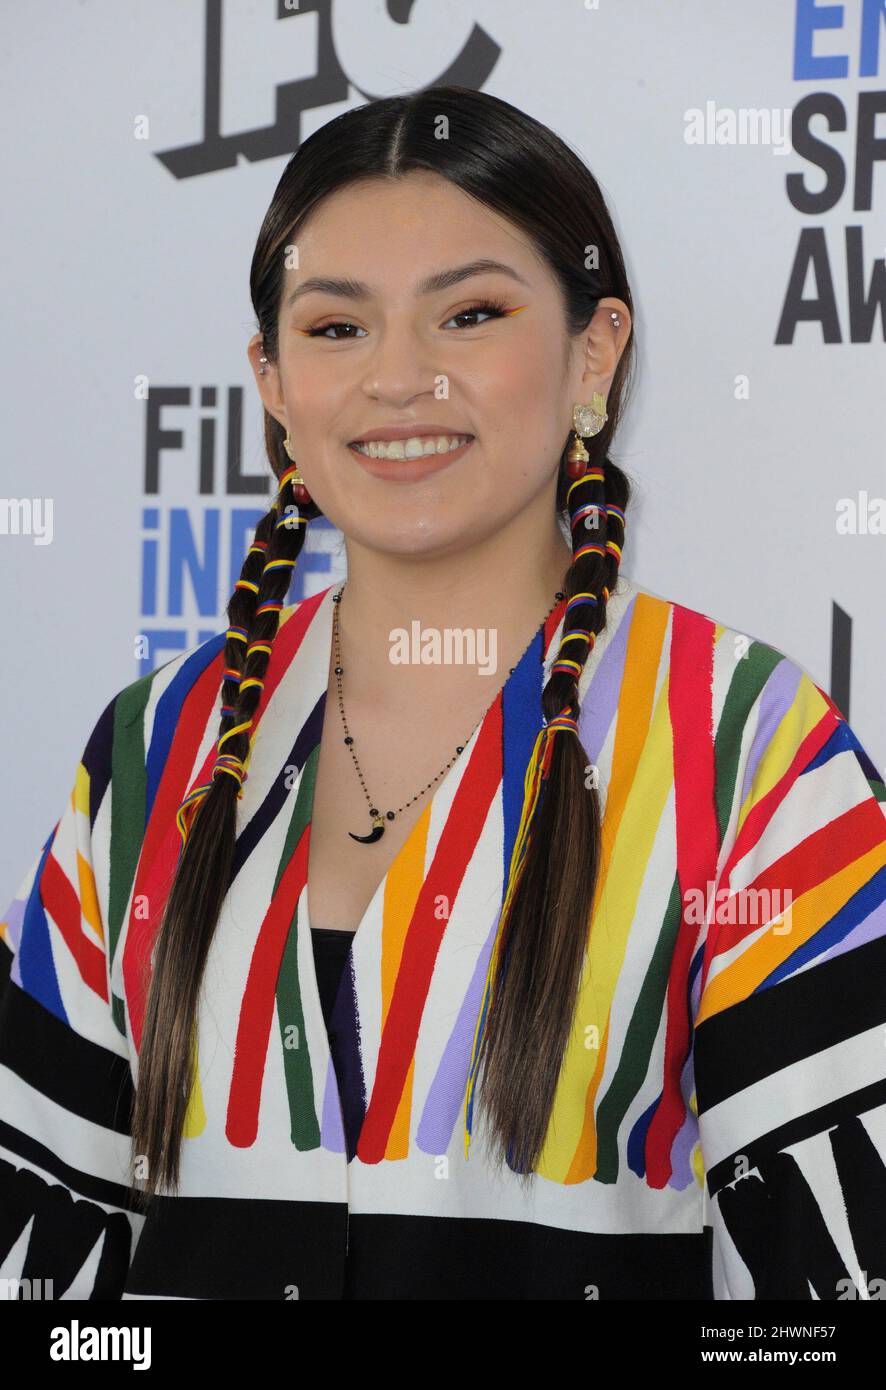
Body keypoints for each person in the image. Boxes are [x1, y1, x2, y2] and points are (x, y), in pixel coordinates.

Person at [2, 85, 885, 1302]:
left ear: (594, 350)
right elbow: (40, 1269)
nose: (399, 379)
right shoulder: (156, 745)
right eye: (335, 328)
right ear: (271, 382)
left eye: (468, 314)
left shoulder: (747, 749)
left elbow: (831, 1297)